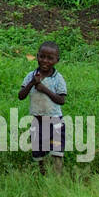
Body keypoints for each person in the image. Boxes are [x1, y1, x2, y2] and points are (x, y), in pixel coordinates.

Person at [18, 40, 68, 174]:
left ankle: (57, 178)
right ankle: (43, 176)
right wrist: (32, 83)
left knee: (56, 151)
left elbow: (61, 100)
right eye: (42, 57)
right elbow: (21, 95)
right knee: (39, 152)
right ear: (37, 56)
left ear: (57, 60)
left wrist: (43, 88)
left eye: (50, 58)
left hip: (55, 121)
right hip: (37, 121)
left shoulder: (58, 79)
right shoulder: (31, 76)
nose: (45, 61)